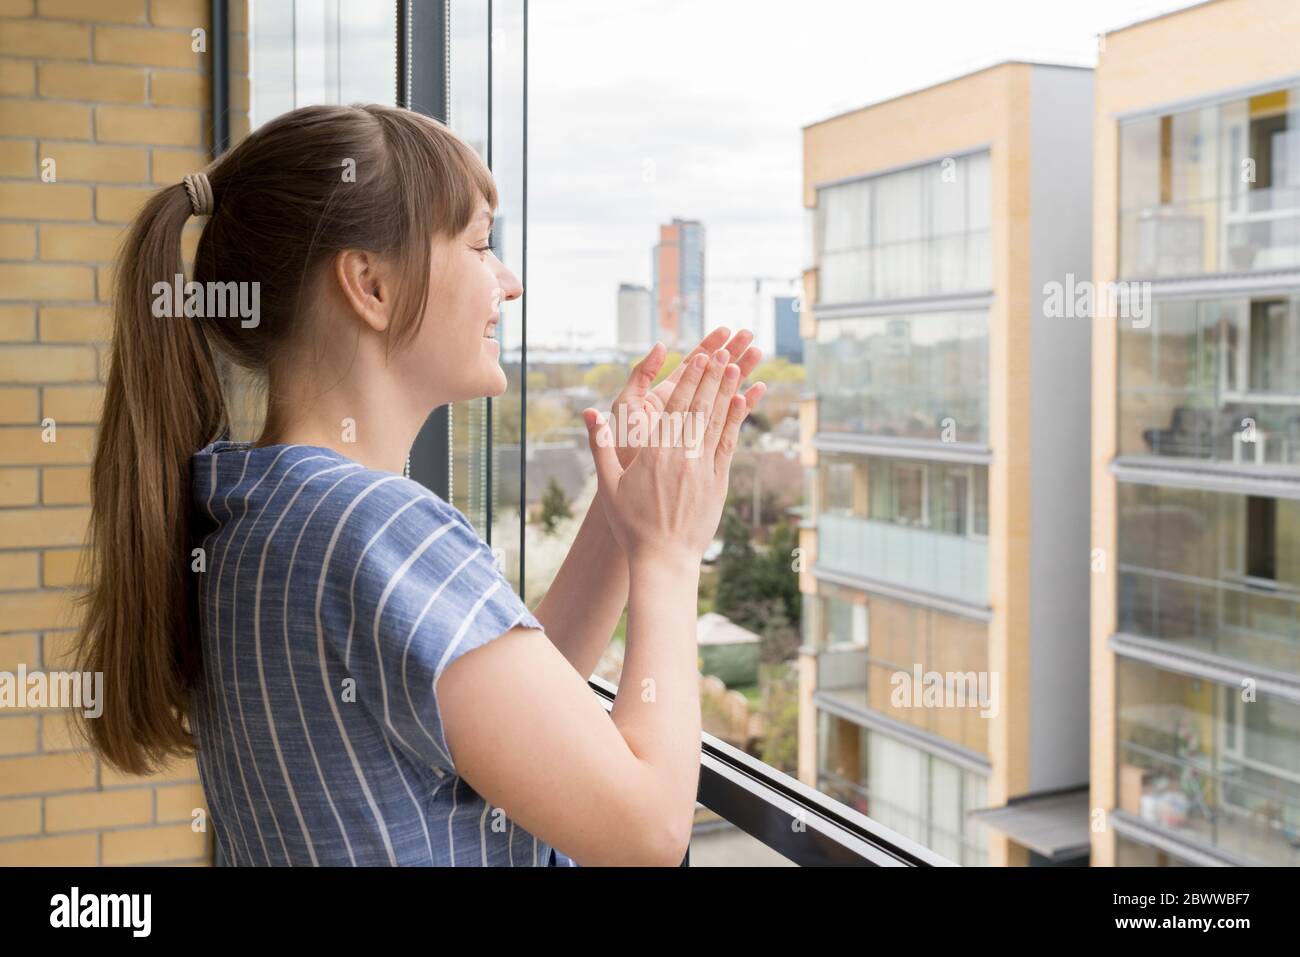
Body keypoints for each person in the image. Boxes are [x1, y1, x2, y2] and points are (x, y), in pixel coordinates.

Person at [70, 103, 766, 866]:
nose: (510, 282)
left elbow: (506, 717)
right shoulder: (375, 527)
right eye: (480, 244)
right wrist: (668, 554)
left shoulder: (253, 514)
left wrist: (619, 513)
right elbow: (649, 834)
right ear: (370, 283)